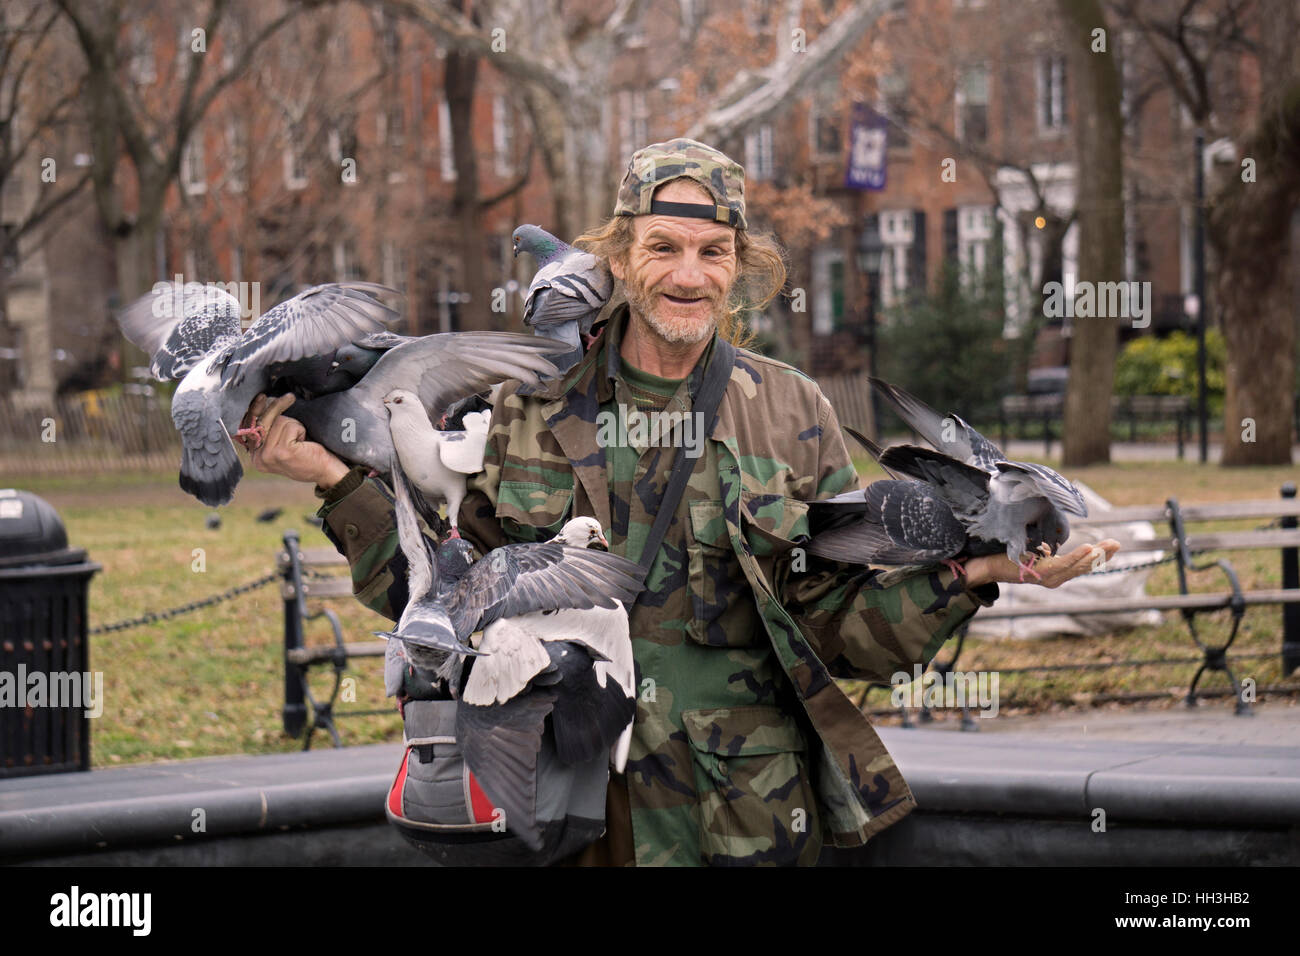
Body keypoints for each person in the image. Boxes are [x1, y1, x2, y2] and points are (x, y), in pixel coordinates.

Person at [243, 138, 1118, 866]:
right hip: (573, 803)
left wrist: (974, 572)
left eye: (713, 252)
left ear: (739, 267)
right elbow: (449, 604)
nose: (688, 276)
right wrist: (337, 485)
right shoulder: (529, 407)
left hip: (745, 814)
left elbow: (837, 626)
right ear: (620, 258)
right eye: (662, 248)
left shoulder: (790, 411)